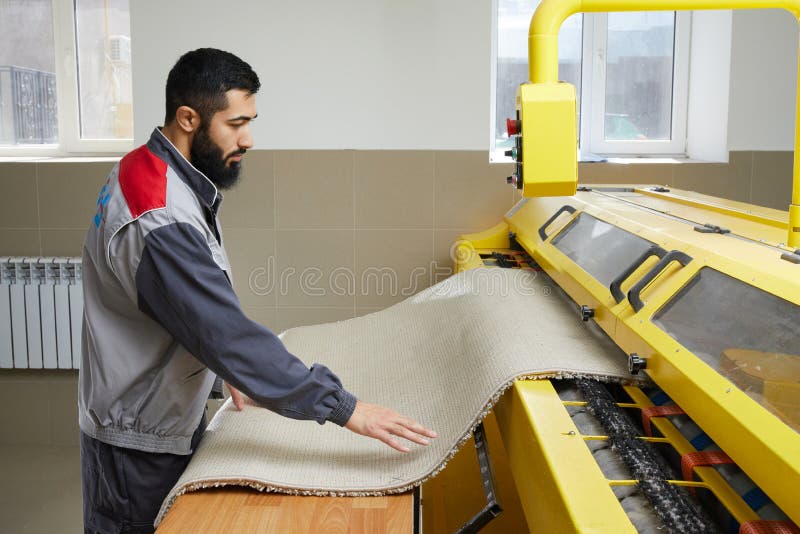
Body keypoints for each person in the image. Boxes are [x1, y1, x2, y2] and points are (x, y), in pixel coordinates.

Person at [78, 48, 437, 533]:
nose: (248, 139)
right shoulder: (160, 217)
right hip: (136, 444)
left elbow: (178, 308)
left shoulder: (151, 171)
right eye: (236, 123)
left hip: (142, 417)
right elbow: (224, 332)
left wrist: (223, 368)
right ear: (188, 118)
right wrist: (346, 408)